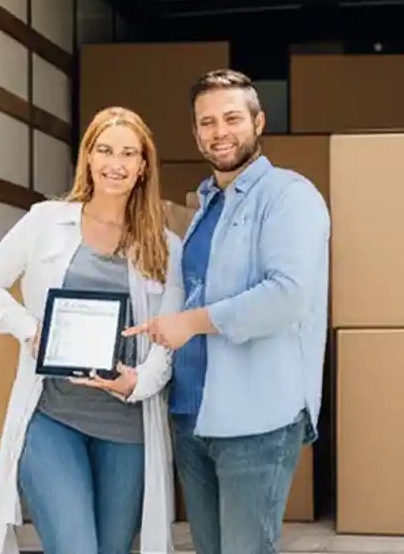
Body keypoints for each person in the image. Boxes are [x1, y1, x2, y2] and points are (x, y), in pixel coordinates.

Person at [125, 69, 330, 554]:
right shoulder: (206, 207)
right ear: (196, 133)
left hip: (257, 419)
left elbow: (288, 295)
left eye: (233, 118)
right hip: (194, 413)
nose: (220, 132)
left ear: (258, 123)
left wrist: (190, 324)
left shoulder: (288, 195)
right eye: (208, 122)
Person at [0, 106, 184, 554]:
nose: (115, 164)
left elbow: (169, 341)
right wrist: (31, 331)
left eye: (128, 153)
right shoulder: (46, 221)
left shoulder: (166, 247)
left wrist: (137, 382)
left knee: (111, 549)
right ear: (87, 157)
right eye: (105, 150)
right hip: (52, 416)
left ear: (143, 166)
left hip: (126, 428)